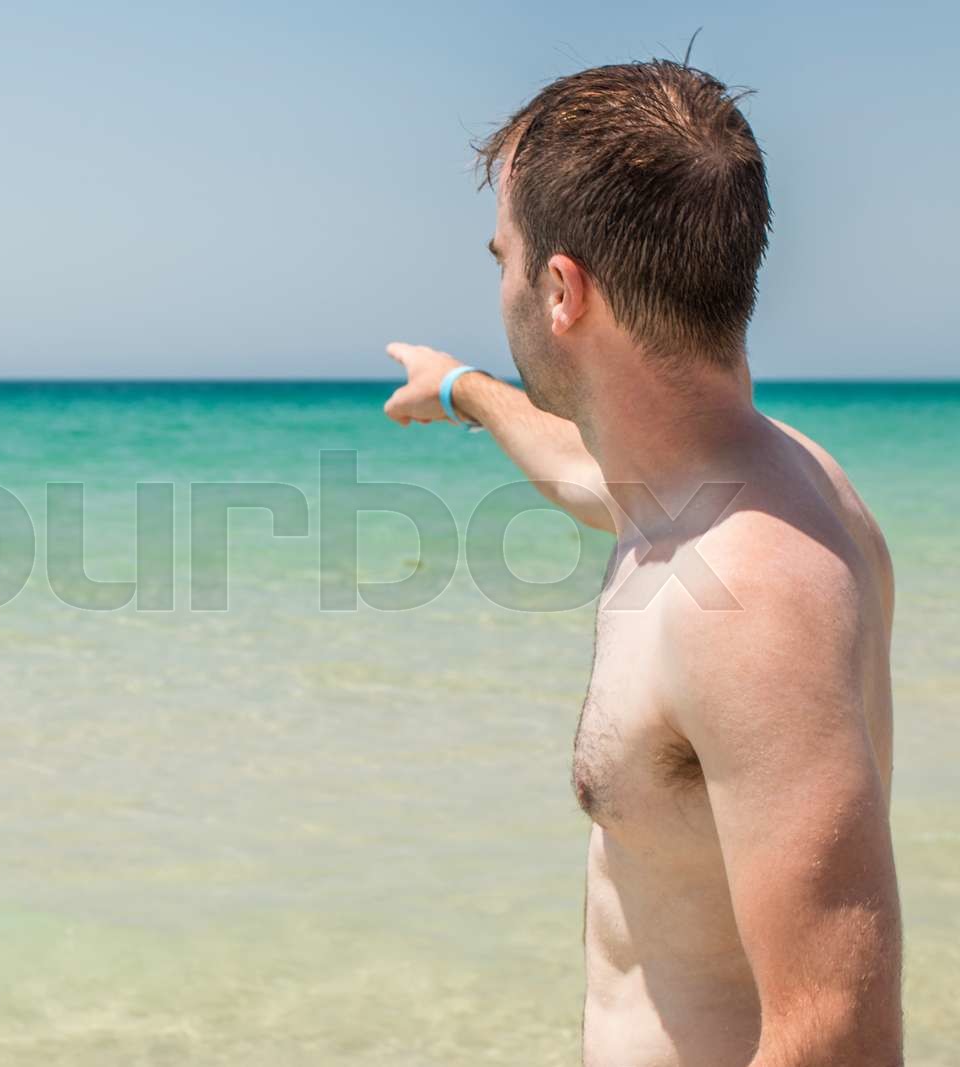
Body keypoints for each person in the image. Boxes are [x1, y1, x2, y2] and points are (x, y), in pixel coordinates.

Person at [383, 60, 902, 1066]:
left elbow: (839, 1031)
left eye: (504, 258)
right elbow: (581, 469)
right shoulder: (743, 480)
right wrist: (460, 389)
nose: (499, 282)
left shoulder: (749, 600)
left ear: (560, 290)